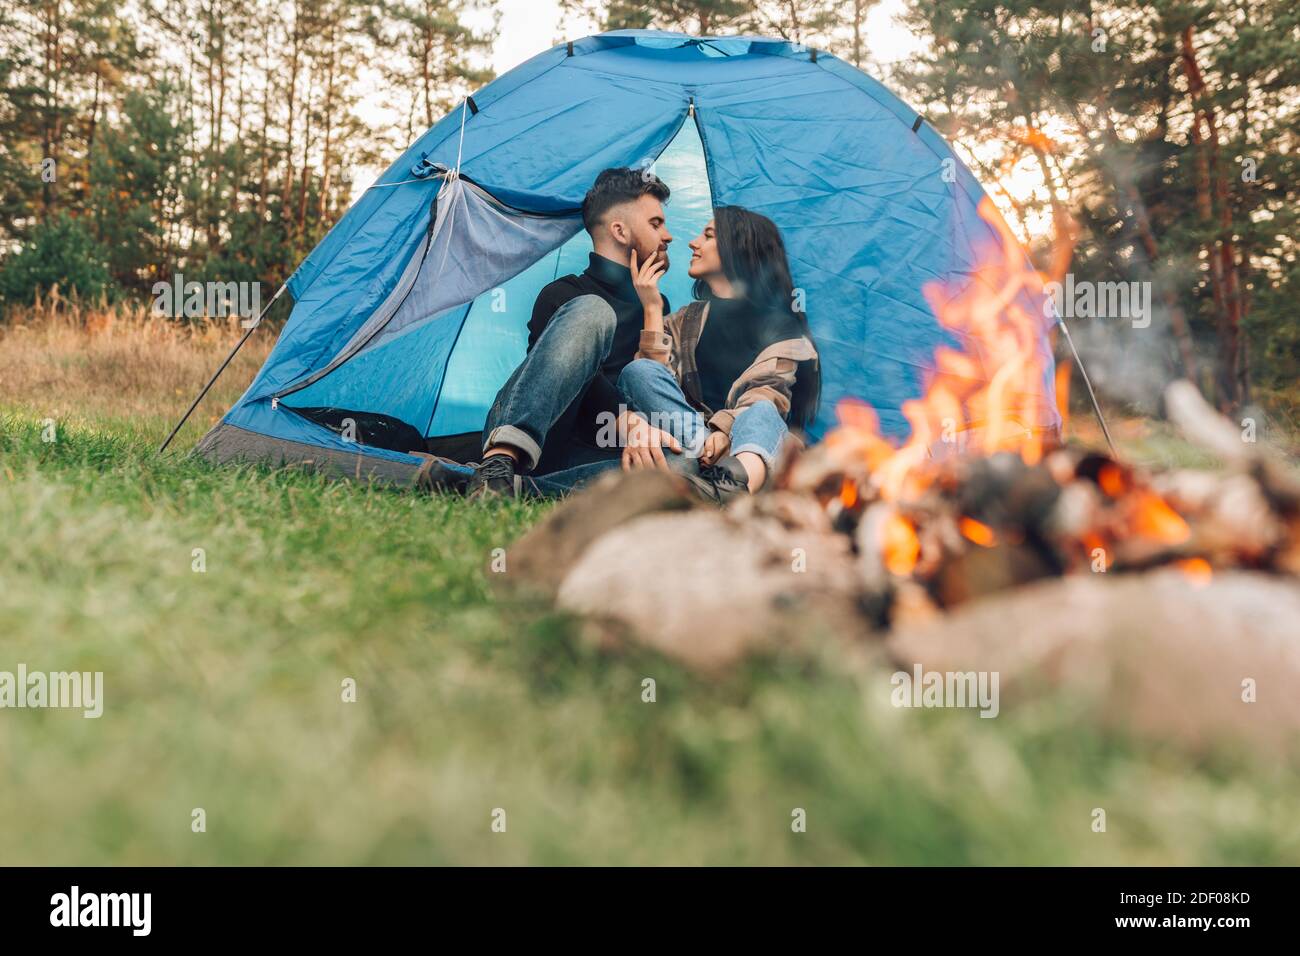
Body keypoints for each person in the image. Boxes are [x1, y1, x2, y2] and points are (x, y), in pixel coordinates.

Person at [463, 167, 684, 499]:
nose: (668, 236)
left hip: (599, 457)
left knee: (681, 465)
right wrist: (629, 421)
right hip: (544, 445)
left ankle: (523, 491)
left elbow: (657, 391)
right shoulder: (564, 293)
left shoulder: (658, 304)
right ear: (620, 231)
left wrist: (652, 310)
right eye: (656, 223)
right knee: (593, 309)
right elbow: (585, 384)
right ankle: (498, 465)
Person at [619, 205, 820, 503]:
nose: (693, 242)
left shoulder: (784, 328)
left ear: (737, 249)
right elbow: (650, 383)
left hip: (751, 452)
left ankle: (727, 485)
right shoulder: (686, 320)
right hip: (693, 446)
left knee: (762, 412)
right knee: (638, 373)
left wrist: (724, 430)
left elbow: (767, 396)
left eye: (708, 235)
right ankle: (714, 487)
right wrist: (651, 307)